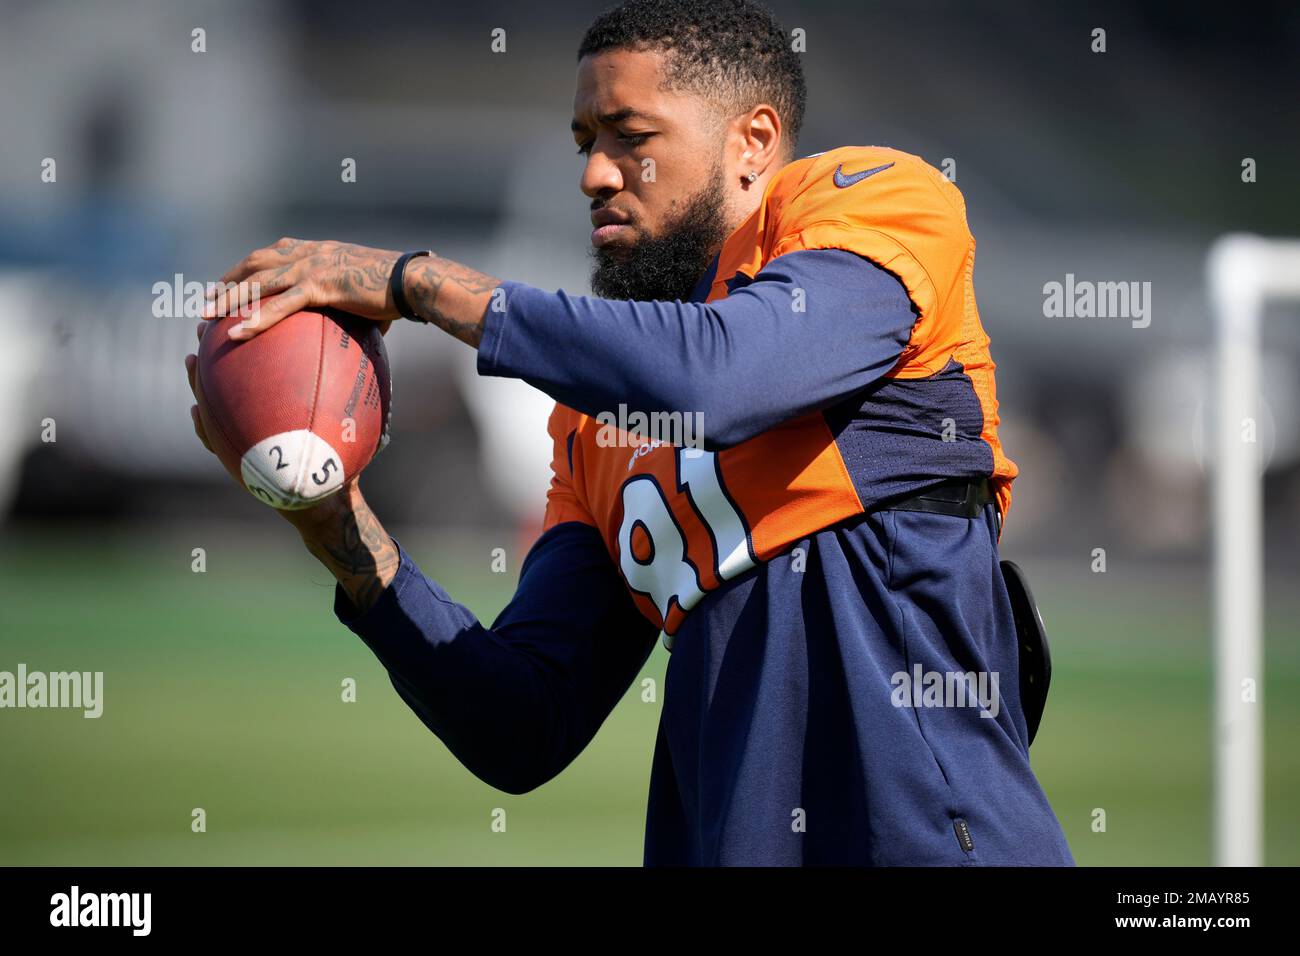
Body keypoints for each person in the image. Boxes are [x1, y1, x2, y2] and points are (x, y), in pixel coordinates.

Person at [188, 0, 1074, 866]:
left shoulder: (876, 201)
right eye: (585, 143)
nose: (595, 176)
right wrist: (337, 529)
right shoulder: (594, 420)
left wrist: (419, 285)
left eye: (630, 137)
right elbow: (523, 726)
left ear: (754, 142)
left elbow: (722, 378)